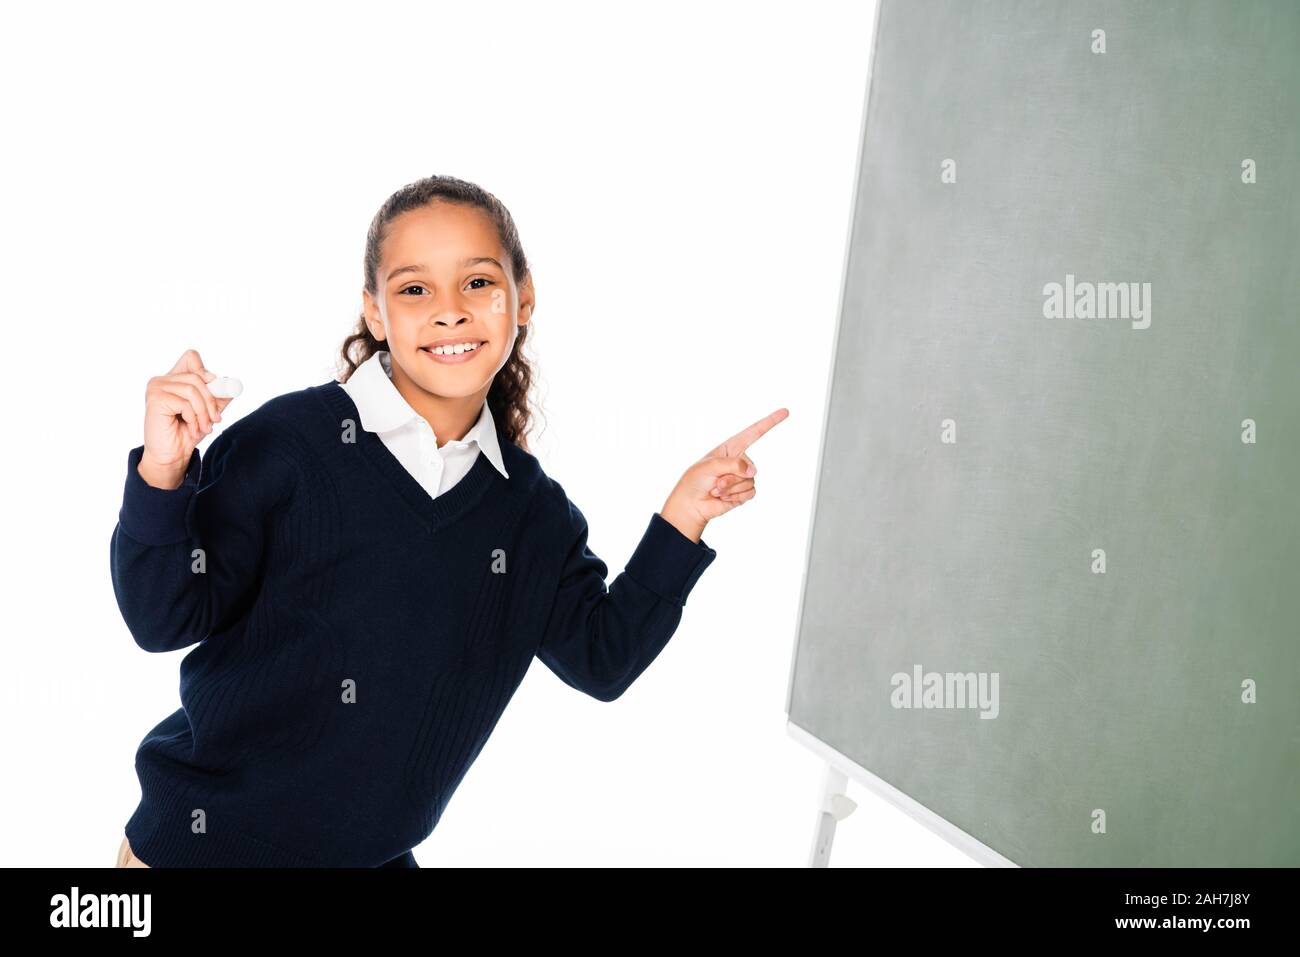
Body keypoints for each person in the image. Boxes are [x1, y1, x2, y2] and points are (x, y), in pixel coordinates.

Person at [110, 174, 787, 867]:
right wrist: (162, 471)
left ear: (523, 299)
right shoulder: (288, 444)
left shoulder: (531, 515)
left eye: (478, 283)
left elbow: (602, 659)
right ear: (375, 313)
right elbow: (162, 619)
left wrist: (683, 517)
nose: (450, 312)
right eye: (414, 289)